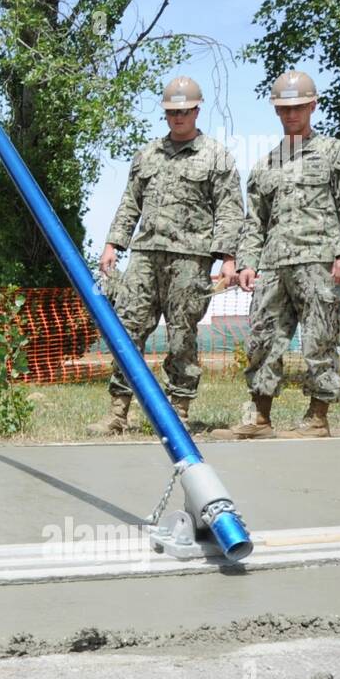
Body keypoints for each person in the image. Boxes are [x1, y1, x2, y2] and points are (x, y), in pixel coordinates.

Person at [212, 70, 340, 439]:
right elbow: (254, 221)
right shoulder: (266, 164)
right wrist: (248, 262)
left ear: (313, 105)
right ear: (276, 111)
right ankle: (259, 418)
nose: (291, 114)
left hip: (321, 264)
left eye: (298, 106)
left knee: (320, 339)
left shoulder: (337, 153)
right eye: (283, 108)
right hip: (272, 267)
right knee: (262, 341)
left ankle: (317, 418)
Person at [88, 76, 243, 435]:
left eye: (184, 111)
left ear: (196, 110)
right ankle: (118, 413)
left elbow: (230, 210)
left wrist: (228, 257)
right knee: (127, 331)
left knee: (182, 335)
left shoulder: (216, 156)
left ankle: (180, 413)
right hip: (144, 255)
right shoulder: (148, 155)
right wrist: (114, 243)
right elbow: (130, 203)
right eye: (172, 112)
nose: (178, 118)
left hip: (190, 259)